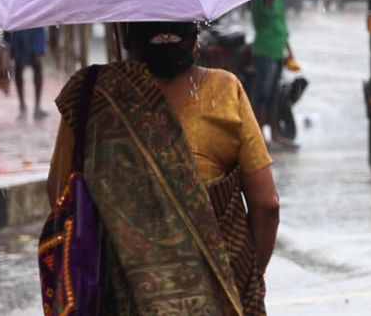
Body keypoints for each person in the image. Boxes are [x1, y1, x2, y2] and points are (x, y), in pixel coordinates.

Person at [46, 21, 279, 314]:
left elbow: (60, 195)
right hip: (218, 296)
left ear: (126, 38)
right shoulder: (225, 90)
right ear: (194, 37)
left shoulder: (91, 96)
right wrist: (248, 277)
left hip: (125, 299)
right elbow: (266, 204)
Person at [249, 0, 297, 147]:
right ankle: (260, 134)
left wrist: (289, 50)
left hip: (278, 52)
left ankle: (275, 134)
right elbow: (260, 21)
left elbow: (281, 24)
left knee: (275, 95)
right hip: (265, 51)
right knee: (262, 94)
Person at [5, 27, 47, 120]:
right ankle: (22, 106)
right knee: (19, 66)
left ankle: (37, 107)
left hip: (35, 26)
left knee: (37, 63)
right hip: (19, 28)